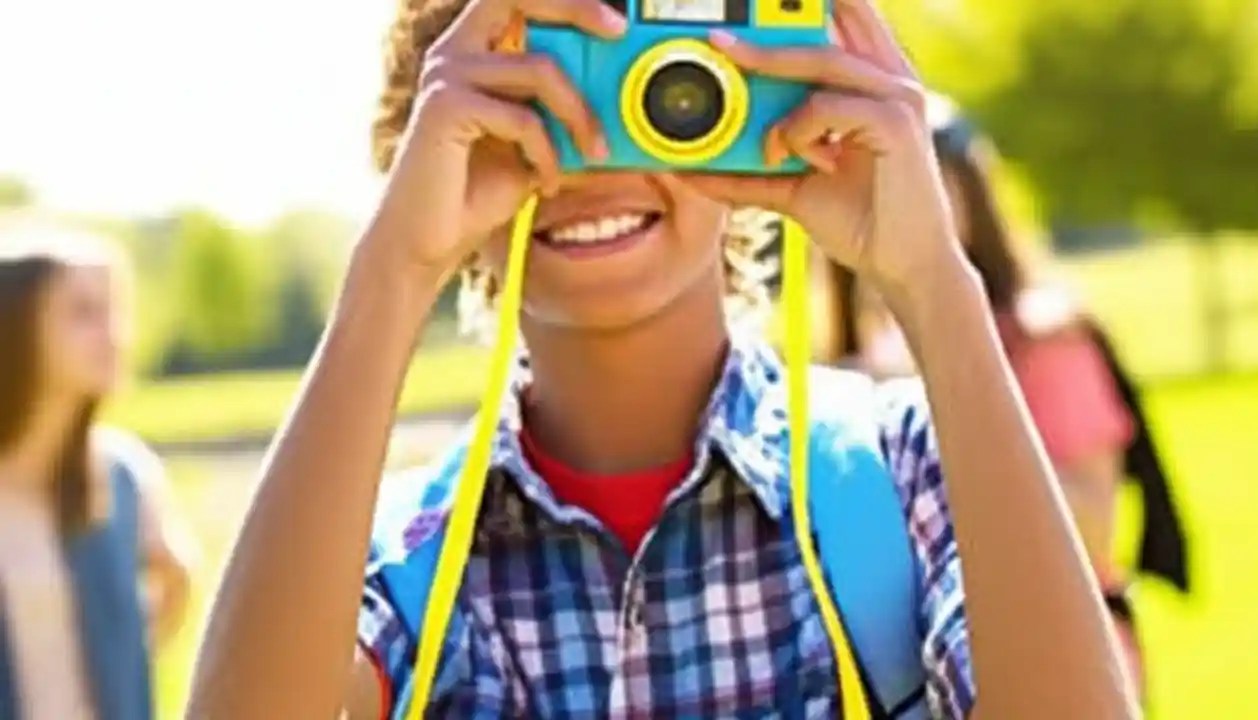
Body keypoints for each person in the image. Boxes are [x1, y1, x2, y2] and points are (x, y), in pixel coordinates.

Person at [189, 0, 1137, 717]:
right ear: (427, 151)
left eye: (657, 90)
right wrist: (393, 273)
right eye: (536, 102)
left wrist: (934, 283)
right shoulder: (390, 560)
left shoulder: (901, 474)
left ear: (765, 107)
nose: (591, 163)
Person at [818, 96, 1191, 701]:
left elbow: (1094, 527)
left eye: (924, 183)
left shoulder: (1045, 341)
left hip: (1049, 659)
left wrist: (928, 404)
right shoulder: (832, 370)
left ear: (968, 194)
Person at [0, 215, 197, 720]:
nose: (113, 334)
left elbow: (177, 578)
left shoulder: (122, 474)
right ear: (16, 328)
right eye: (83, 313)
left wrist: (124, 657)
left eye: (113, 310)